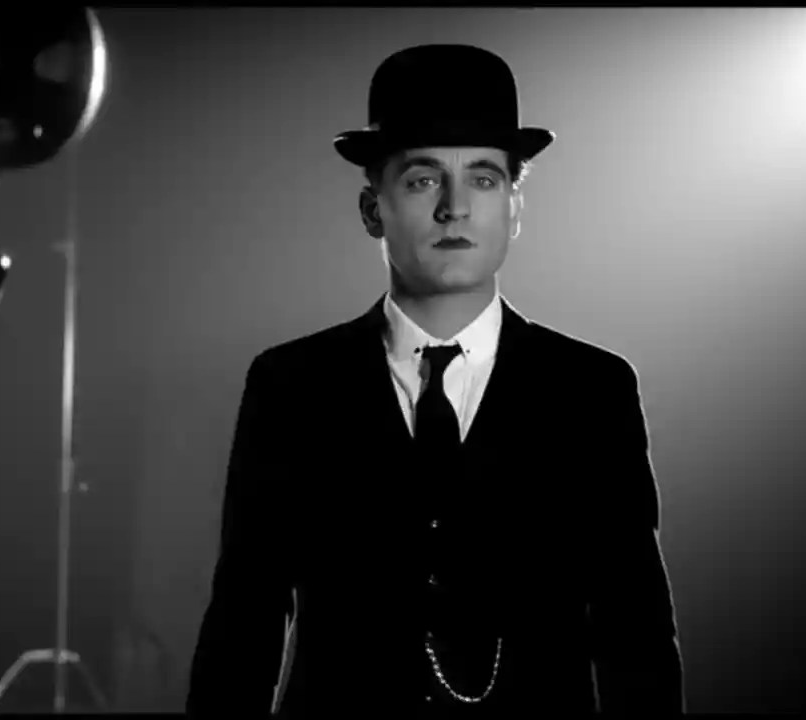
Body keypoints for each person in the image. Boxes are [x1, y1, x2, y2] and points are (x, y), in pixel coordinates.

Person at [187, 43, 684, 717]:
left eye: (483, 178)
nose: (455, 207)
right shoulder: (291, 385)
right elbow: (245, 616)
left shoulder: (590, 389)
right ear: (373, 210)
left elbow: (635, 629)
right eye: (423, 180)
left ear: (515, 208)